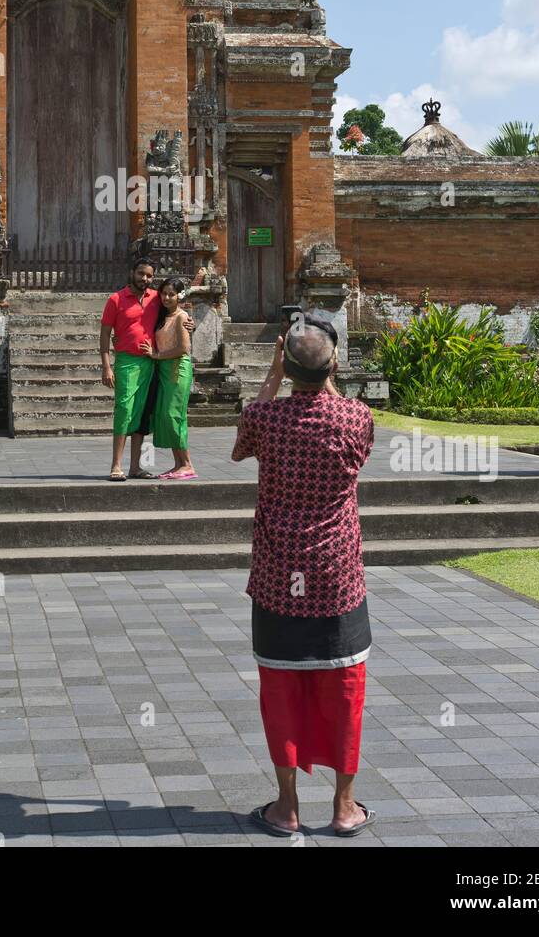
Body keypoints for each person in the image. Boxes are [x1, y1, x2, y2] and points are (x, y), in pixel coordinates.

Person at [231, 316, 377, 839]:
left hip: (277, 578)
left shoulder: (263, 420)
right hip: (337, 578)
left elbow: (240, 445)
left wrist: (277, 371)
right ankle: (344, 806)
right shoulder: (356, 418)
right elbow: (338, 416)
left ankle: (287, 807)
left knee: (281, 690)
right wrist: (320, 368)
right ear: (334, 365)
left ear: (286, 365)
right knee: (345, 691)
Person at [100, 259, 193, 482]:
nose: (145, 279)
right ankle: (116, 465)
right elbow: (104, 335)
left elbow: (175, 312)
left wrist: (191, 323)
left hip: (153, 364)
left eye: (149, 276)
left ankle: (135, 467)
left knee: (144, 415)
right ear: (132, 272)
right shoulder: (116, 299)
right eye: (141, 274)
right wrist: (106, 367)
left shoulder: (155, 298)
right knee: (124, 409)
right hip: (127, 362)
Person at [139, 276, 196, 481]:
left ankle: (188, 464)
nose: (166, 297)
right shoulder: (163, 316)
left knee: (174, 415)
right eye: (164, 293)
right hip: (163, 369)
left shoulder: (182, 317)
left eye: (172, 294)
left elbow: (183, 348)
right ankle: (179, 463)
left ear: (179, 296)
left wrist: (156, 355)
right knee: (164, 415)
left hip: (177, 368)